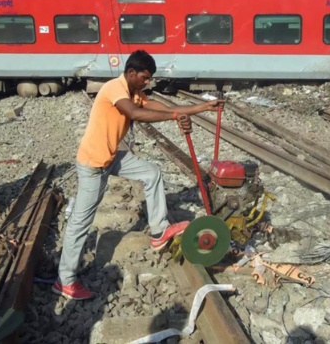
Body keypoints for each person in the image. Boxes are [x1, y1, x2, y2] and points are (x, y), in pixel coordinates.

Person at [53, 50, 223, 300]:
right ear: (131, 73)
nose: (147, 82)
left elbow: (158, 106)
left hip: (110, 158)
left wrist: (202, 107)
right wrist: (176, 116)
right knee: (81, 221)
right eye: (144, 77)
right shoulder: (115, 89)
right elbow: (136, 114)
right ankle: (64, 281)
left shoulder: (133, 92)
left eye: (149, 78)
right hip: (94, 164)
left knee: (152, 172)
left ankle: (159, 231)